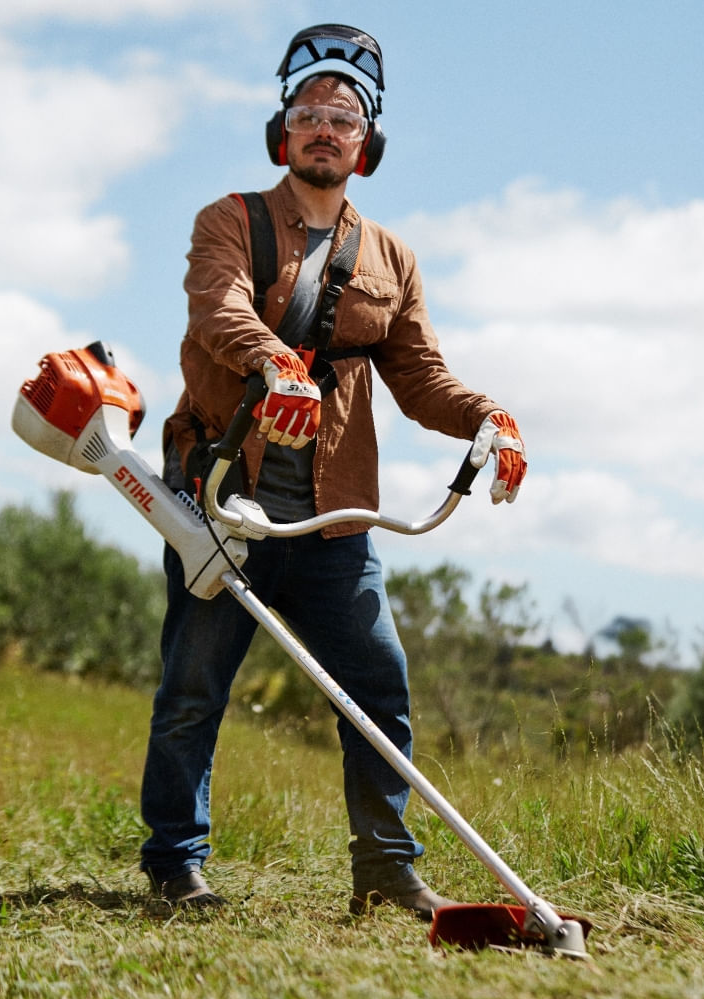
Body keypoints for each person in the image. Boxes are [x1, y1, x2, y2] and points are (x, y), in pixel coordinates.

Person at [140, 24, 527, 921]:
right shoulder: (228, 221)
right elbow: (217, 310)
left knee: (379, 690)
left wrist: (488, 418)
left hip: (335, 518)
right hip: (224, 498)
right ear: (282, 134)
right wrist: (275, 362)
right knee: (193, 691)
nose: (325, 127)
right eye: (309, 114)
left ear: (367, 143)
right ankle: (175, 864)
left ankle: (385, 870)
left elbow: (421, 378)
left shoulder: (392, 259)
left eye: (343, 117)